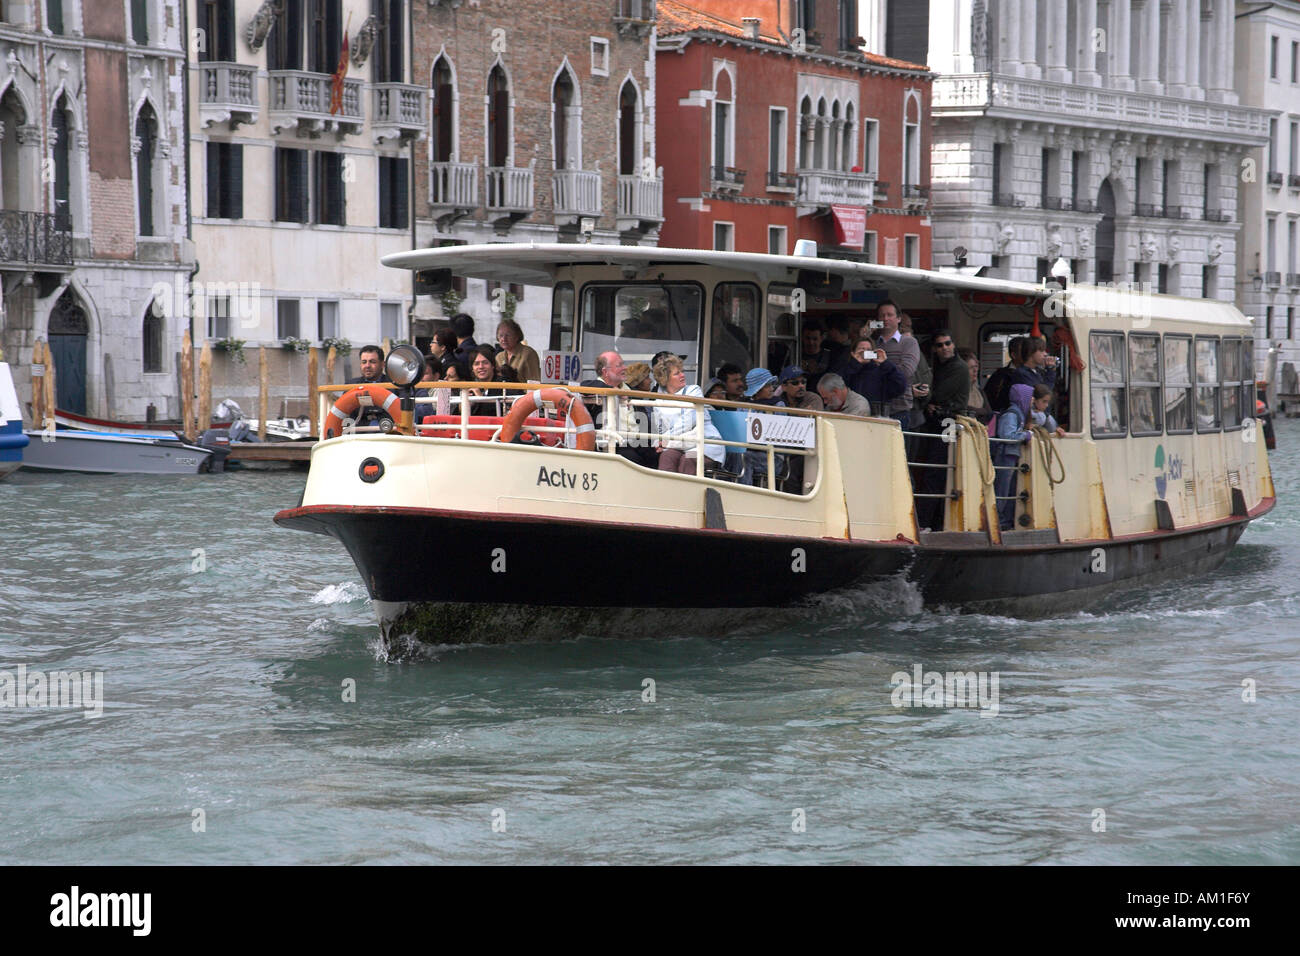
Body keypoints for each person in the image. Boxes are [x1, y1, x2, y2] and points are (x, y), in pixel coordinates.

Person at [914, 330, 970, 532]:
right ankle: (931, 522)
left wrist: (928, 401)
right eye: (940, 345)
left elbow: (937, 393)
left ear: (953, 345)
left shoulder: (959, 368)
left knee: (936, 473)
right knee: (933, 473)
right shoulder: (941, 365)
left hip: (948, 422)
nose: (944, 348)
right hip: (939, 422)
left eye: (947, 343)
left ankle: (926, 523)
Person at [650, 355, 725, 474]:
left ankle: (685, 493)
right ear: (665, 379)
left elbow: (688, 421)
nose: (682, 375)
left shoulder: (694, 391)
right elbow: (660, 429)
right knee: (667, 457)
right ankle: (665, 491)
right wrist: (660, 440)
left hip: (704, 443)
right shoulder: (658, 401)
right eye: (677, 373)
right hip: (677, 444)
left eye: (682, 372)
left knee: (687, 460)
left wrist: (663, 440)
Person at [871, 300, 920, 429]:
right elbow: (863, 367)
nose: (885, 318)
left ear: (898, 318)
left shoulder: (909, 342)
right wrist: (862, 337)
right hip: (874, 408)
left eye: (889, 315)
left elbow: (906, 372)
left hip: (900, 409)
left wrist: (883, 364)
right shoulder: (873, 344)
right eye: (881, 315)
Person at [993, 383, 1034, 530]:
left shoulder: (1019, 414)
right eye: (1030, 398)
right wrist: (1025, 435)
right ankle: (998, 520)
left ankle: (1004, 520)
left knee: (1009, 490)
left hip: (1011, 455)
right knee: (1002, 490)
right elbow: (1007, 436)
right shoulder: (1012, 414)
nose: (1032, 401)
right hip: (1005, 456)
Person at [842, 337, 906, 416]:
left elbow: (900, 387)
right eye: (861, 349)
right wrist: (855, 364)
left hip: (876, 416)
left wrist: (885, 363)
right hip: (852, 414)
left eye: (869, 350)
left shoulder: (881, 371)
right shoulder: (847, 370)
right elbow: (838, 385)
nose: (865, 352)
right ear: (853, 353)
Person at [345, 344, 391, 428]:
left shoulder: (394, 385)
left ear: (382, 364)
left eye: (372, 362)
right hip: (359, 434)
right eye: (364, 362)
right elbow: (346, 411)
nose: (367, 366)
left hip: (388, 432)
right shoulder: (351, 386)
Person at [984, 337, 1024, 412]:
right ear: (1014, 355)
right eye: (1024, 352)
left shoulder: (1034, 373)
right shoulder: (1000, 375)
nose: (1027, 355)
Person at [495, 318, 540, 382]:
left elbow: (534, 382)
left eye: (508, 335)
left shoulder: (528, 354)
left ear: (517, 336)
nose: (503, 339)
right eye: (500, 335)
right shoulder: (499, 357)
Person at [466, 344, 505, 415]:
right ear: (472, 369)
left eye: (485, 363)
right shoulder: (471, 388)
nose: (481, 367)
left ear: (493, 366)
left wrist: (480, 399)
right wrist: (464, 405)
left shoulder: (504, 385)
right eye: (476, 364)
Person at [959, 347, 993, 424]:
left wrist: (974, 411)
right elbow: (960, 410)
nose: (975, 371)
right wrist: (980, 411)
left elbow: (989, 413)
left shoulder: (980, 392)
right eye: (971, 368)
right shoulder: (956, 391)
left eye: (976, 367)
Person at [800, 318, 835, 391]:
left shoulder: (830, 356)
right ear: (802, 338)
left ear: (821, 338)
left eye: (815, 339)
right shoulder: (796, 355)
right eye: (807, 338)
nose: (811, 342)